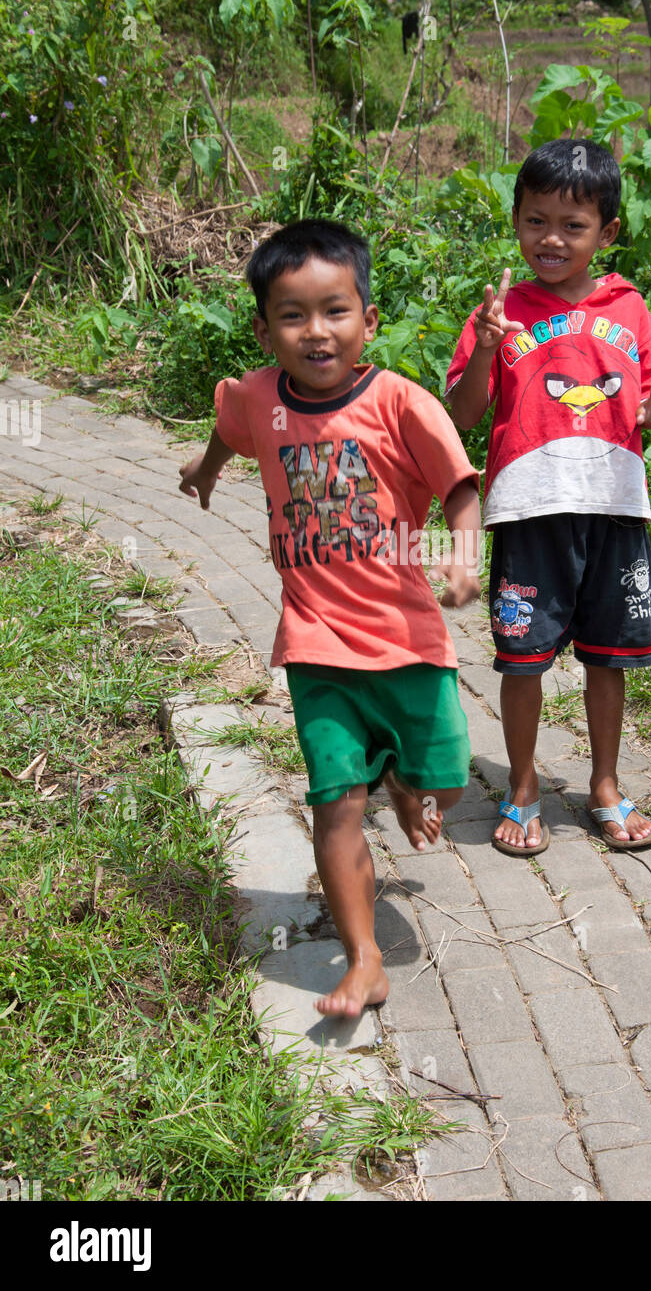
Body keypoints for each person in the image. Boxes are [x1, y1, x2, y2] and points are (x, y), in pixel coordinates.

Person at [179, 219, 481, 1016]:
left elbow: (459, 489)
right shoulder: (256, 398)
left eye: (335, 311)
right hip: (315, 646)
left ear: (368, 320)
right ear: (264, 327)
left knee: (445, 785)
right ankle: (364, 958)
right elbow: (226, 429)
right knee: (334, 805)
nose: (316, 332)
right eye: (292, 315)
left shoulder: (400, 405)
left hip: (408, 642)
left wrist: (461, 556)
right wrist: (202, 473)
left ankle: (404, 779)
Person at [446, 137, 651, 856]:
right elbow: (465, 414)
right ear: (517, 219)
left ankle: (605, 787)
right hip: (528, 510)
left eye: (572, 225)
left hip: (614, 506)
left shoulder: (628, 308)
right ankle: (521, 786)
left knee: (607, 658)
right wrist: (490, 348)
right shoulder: (500, 310)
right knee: (521, 657)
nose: (550, 239)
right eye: (535, 221)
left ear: (606, 233)